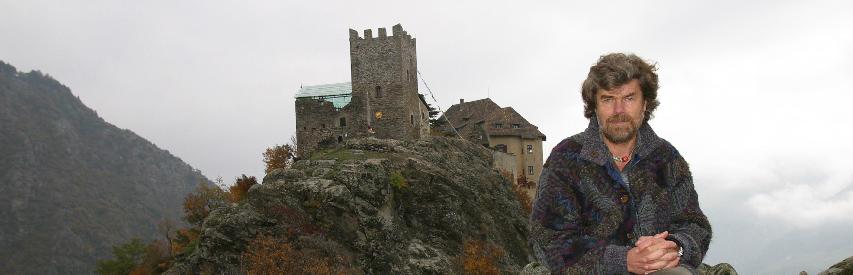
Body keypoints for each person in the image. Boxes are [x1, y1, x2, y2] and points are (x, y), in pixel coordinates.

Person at [529, 53, 712, 274]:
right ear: (594, 106)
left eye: (629, 98)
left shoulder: (667, 158)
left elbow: (695, 225)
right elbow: (548, 240)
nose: (618, 111)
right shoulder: (566, 159)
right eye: (608, 99)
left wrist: (675, 246)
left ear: (645, 103)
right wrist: (623, 260)